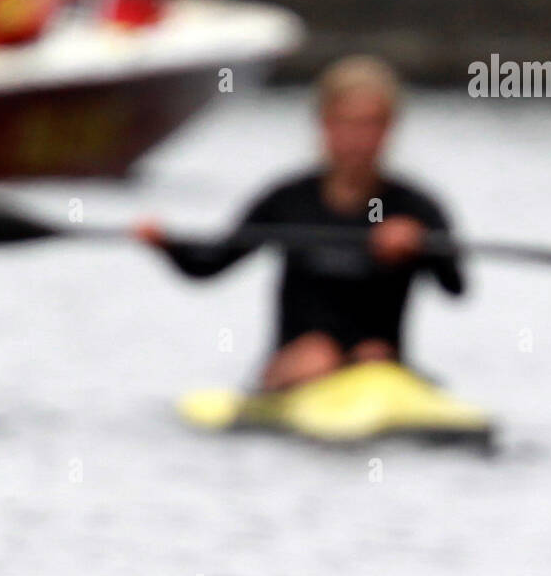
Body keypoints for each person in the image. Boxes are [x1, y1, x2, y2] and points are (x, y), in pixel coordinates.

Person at [134, 56, 466, 391]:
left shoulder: (415, 208)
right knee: (319, 355)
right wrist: (166, 244)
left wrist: (423, 247)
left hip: (378, 365)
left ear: (390, 128)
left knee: (373, 356)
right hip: (301, 364)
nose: (358, 139)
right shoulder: (288, 201)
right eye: (347, 124)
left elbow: (456, 287)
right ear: (324, 124)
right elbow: (210, 264)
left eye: (371, 125)